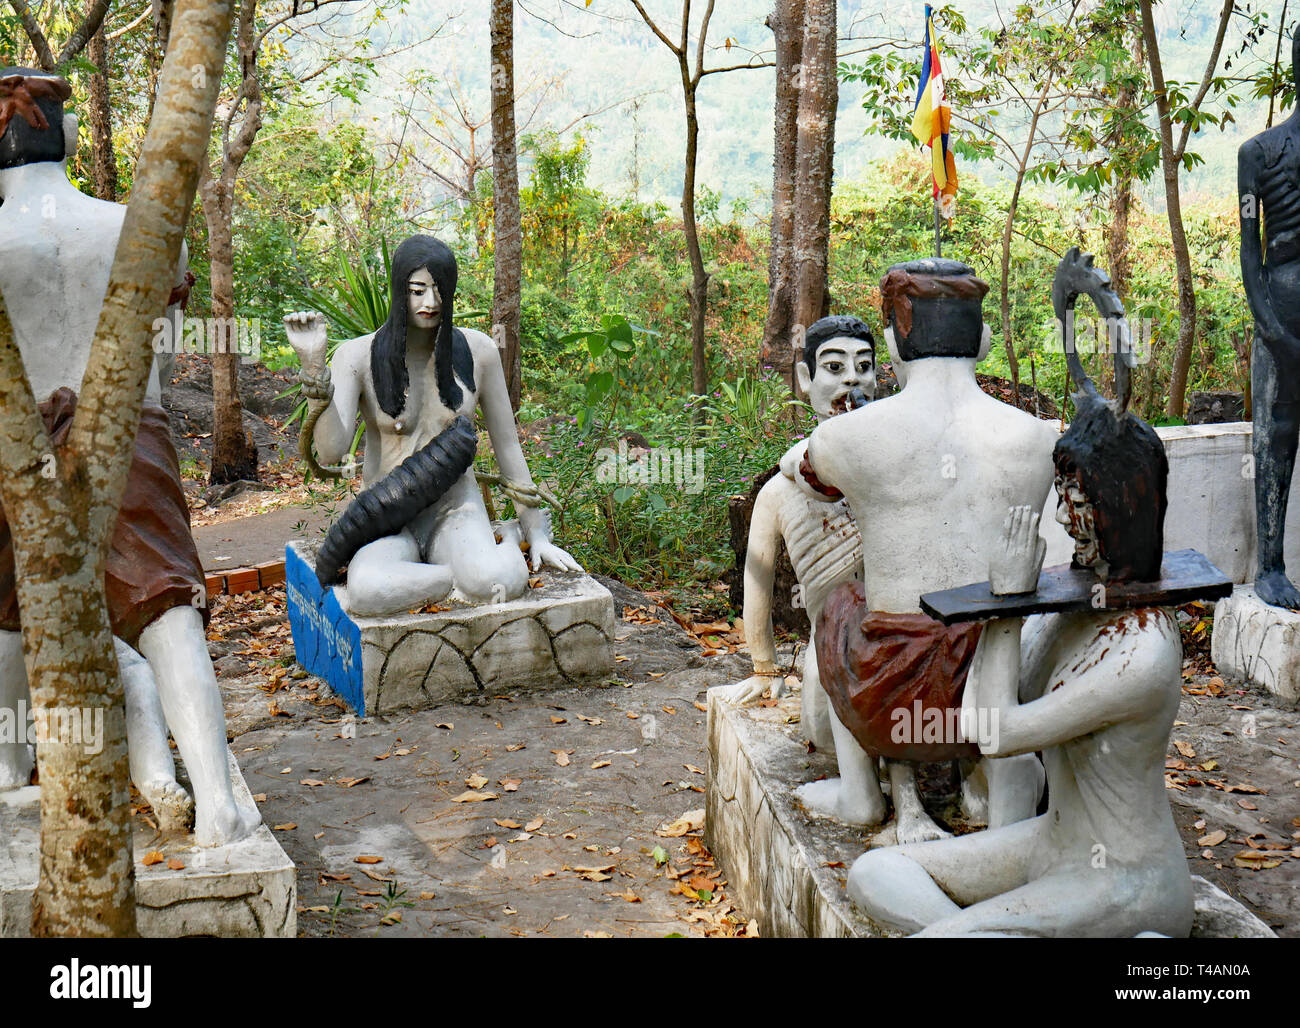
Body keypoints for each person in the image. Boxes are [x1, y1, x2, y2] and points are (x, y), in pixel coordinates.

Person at [847, 249, 1194, 937]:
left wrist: (1008, 604)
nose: (1063, 518)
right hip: (1052, 846)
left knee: (950, 935)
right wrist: (1014, 602)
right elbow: (986, 702)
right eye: (1062, 497)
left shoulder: (1141, 652)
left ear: (1121, 509)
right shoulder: (1072, 618)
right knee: (875, 872)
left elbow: (995, 734)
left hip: (1124, 875)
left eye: (1077, 502)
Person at [0, 68, 258, 846]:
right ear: (70, 137)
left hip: (11, 449)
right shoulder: (138, 229)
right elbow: (163, 353)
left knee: (7, 609)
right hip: (128, 431)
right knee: (165, 607)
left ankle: (10, 769)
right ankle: (215, 798)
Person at [794, 259, 1054, 842]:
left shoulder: (843, 437)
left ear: (891, 343)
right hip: (1002, 694)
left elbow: (813, 479)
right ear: (984, 342)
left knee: (842, 603)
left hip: (896, 703)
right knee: (1006, 614)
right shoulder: (1039, 439)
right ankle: (982, 781)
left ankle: (873, 792)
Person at [285, 235, 580, 617]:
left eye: (439, 290)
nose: (430, 303)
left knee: (497, 584)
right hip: (386, 516)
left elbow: (508, 448)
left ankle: (504, 541)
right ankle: (455, 576)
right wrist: (313, 371)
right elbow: (329, 452)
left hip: (457, 510)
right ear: (398, 291)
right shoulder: (356, 356)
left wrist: (536, 534)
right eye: (417, 290)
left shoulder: (479, 352)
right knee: (369, 591)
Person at [719, 315, 887, 822]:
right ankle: (862, 791)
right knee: (827, 706)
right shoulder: (780, 490)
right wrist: (763, 667)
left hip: (912, 628)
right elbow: (757, 579)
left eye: (864, 367)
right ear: (805, 378)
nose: (851, 380)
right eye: (834, 367)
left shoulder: (893, 460)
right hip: (836, 650)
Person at [1239, 31, 1300, 609]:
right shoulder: (1258, 154)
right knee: (1274, 435)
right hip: (1281, 304)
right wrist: (1271, 328)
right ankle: (1271, 566)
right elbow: (1249, 252)